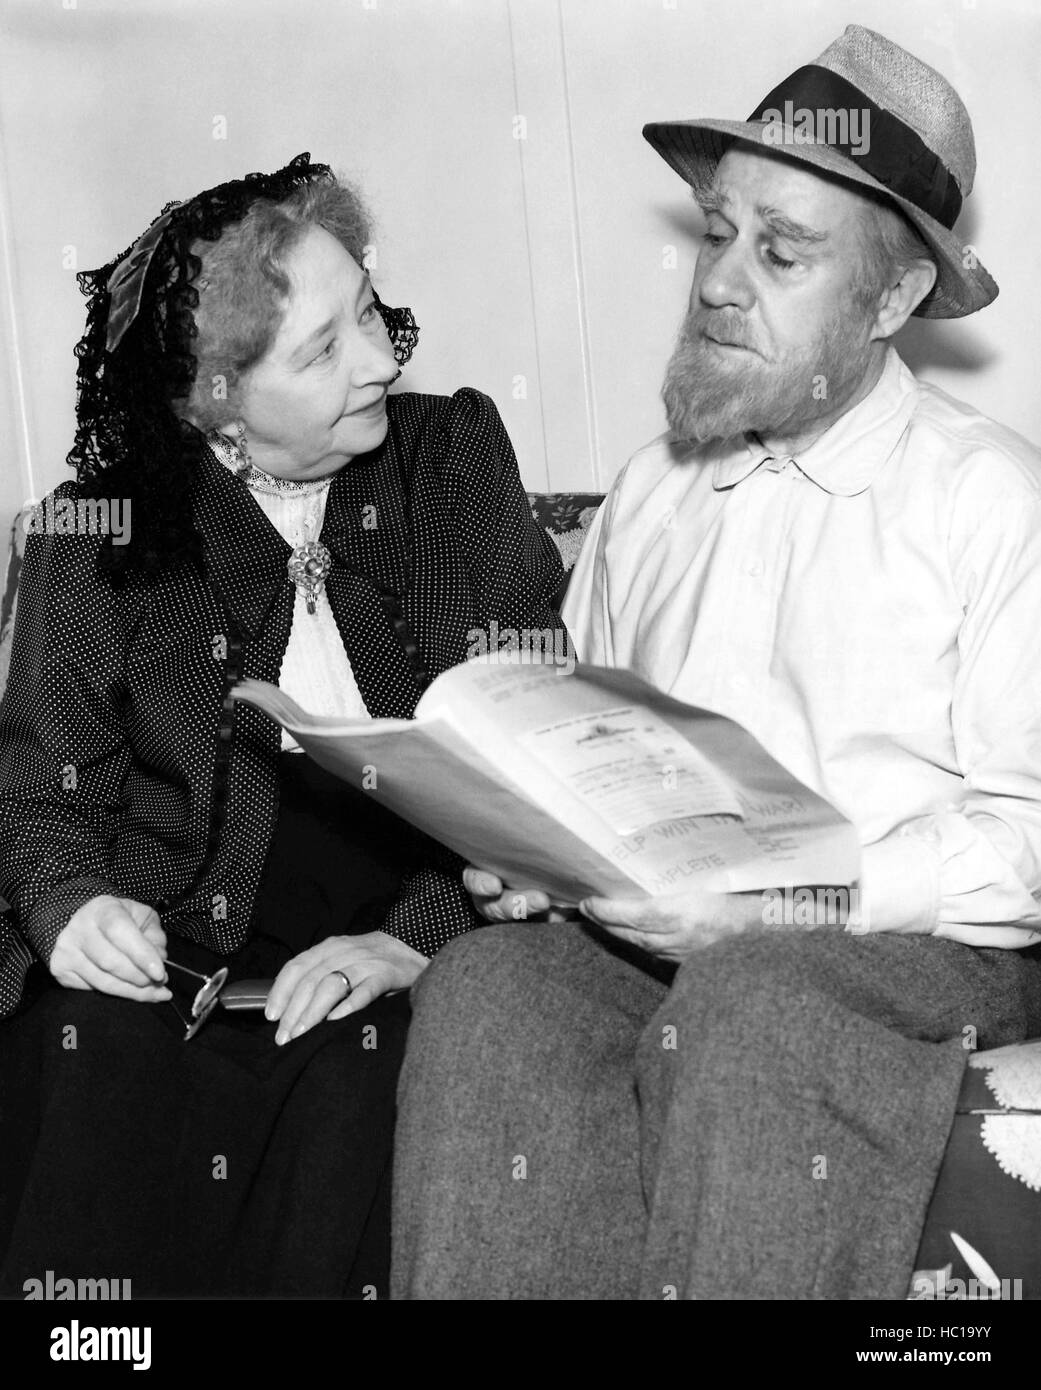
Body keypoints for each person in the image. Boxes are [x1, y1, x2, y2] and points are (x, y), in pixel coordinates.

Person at [391, 26, 1041, 1300]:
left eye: (782, 252)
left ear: (893, 301)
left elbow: (1026, 848)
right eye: (715, 232)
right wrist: (535, 851)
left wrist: (776, 911)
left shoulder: (993, 502)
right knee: (484, 995)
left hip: (913, 948)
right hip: (672, 940)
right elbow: (586, 746)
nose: (720, 282)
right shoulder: (653, 491)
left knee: (748, 1002)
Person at [0, 152, 565, 1299]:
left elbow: (533, 758)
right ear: (219, 405)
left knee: (375, 1072)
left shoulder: (451, 458)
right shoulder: (98, 529)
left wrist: (419, 935)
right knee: (93, 1061)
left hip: (392, 943)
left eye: (367, 309)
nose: (381, 357)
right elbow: (36, 794)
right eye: (322, 350)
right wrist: (71, 909)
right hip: (170, 959)